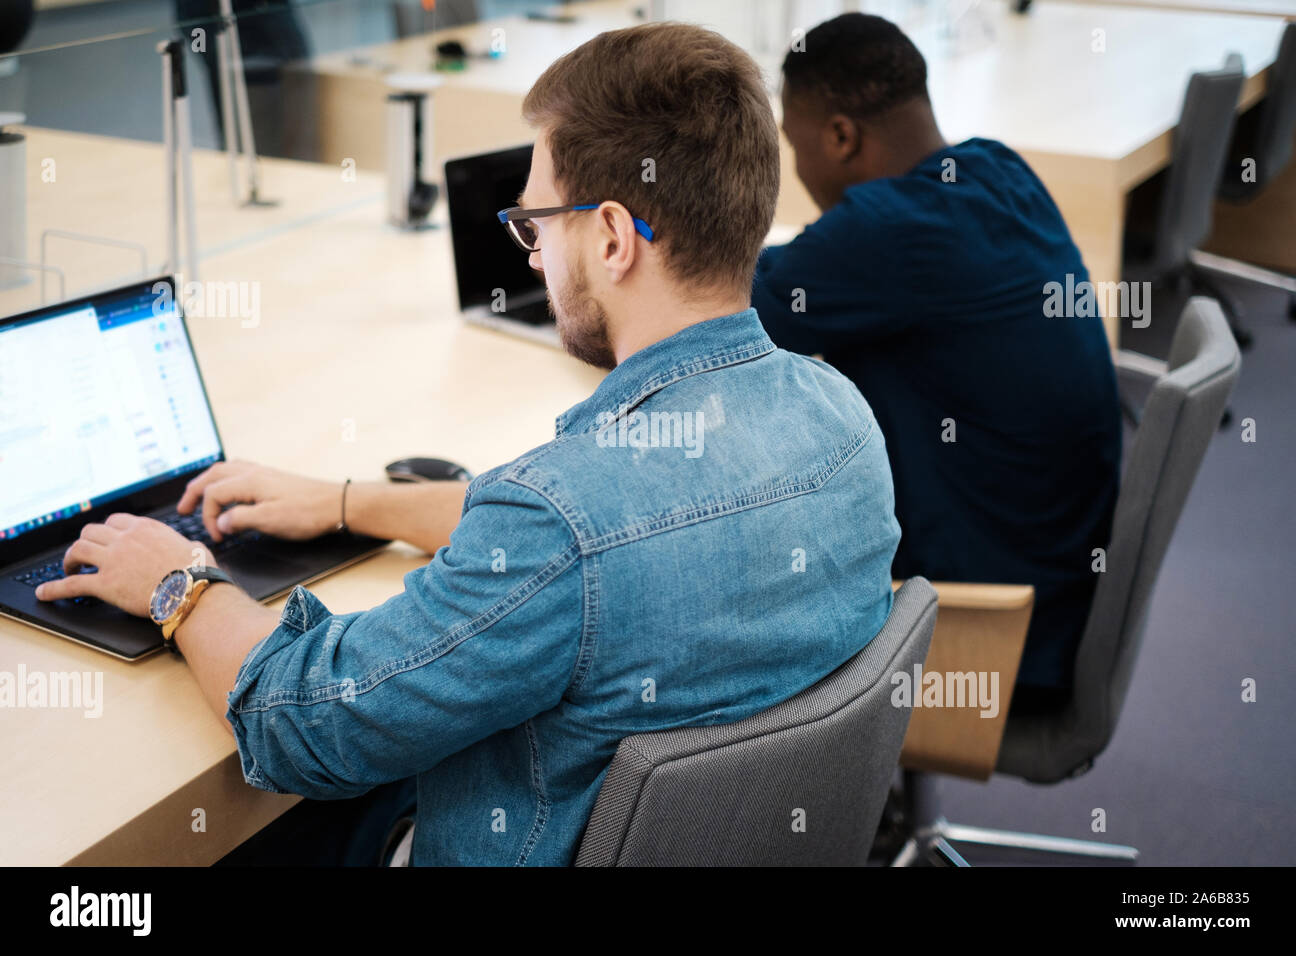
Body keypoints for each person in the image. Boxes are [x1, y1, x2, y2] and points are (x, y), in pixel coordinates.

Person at [37, 22, 901, 865]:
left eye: (535, 225)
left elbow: (300, 721)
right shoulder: (843, 420)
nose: (530, 259)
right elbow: (619, 543)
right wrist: (347, 503)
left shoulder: (557, 528)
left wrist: (178, 585)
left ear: (609, 237)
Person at [751, 14, 1121, 706]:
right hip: (1057, 587)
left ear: (839, 137)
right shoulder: (997, 169)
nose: (797, 169)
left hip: (985, 636)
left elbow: (713, 314)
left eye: (794, 147)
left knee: (708, 578)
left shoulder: (887, 230)